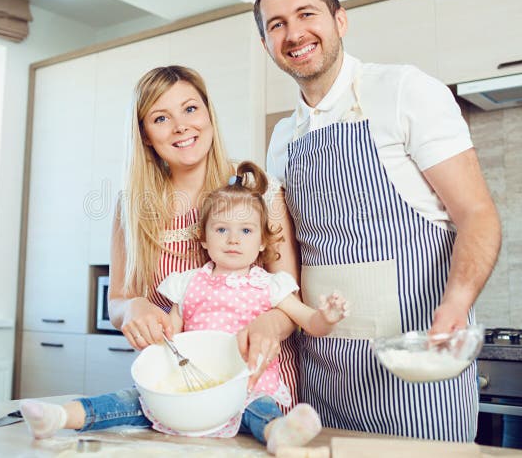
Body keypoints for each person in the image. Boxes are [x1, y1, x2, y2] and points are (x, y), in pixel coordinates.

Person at [253, 0, 502, 442]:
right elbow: (283, 259)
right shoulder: (282, 139)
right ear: (266, 44)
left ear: (340, 20)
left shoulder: (405, 90)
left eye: (307, 14)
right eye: (276, 24)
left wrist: (457, 301)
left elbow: (478, 214)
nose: (294, 33)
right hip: (323, 378)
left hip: (418, 374)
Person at [21, 161, 350, 453]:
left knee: (261, 410)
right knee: (127, 402)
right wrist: (151, 334)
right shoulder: (188, 283)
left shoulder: (270, 285)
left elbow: (310, 322)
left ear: (262, 241)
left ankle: (280, 434)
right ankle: (61, 416)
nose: (233, 239)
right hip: (187, 393)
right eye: (222, 229)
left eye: (246, 231)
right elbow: (170, 337)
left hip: (244, 388)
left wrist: (328, 316)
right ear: (204, 238)